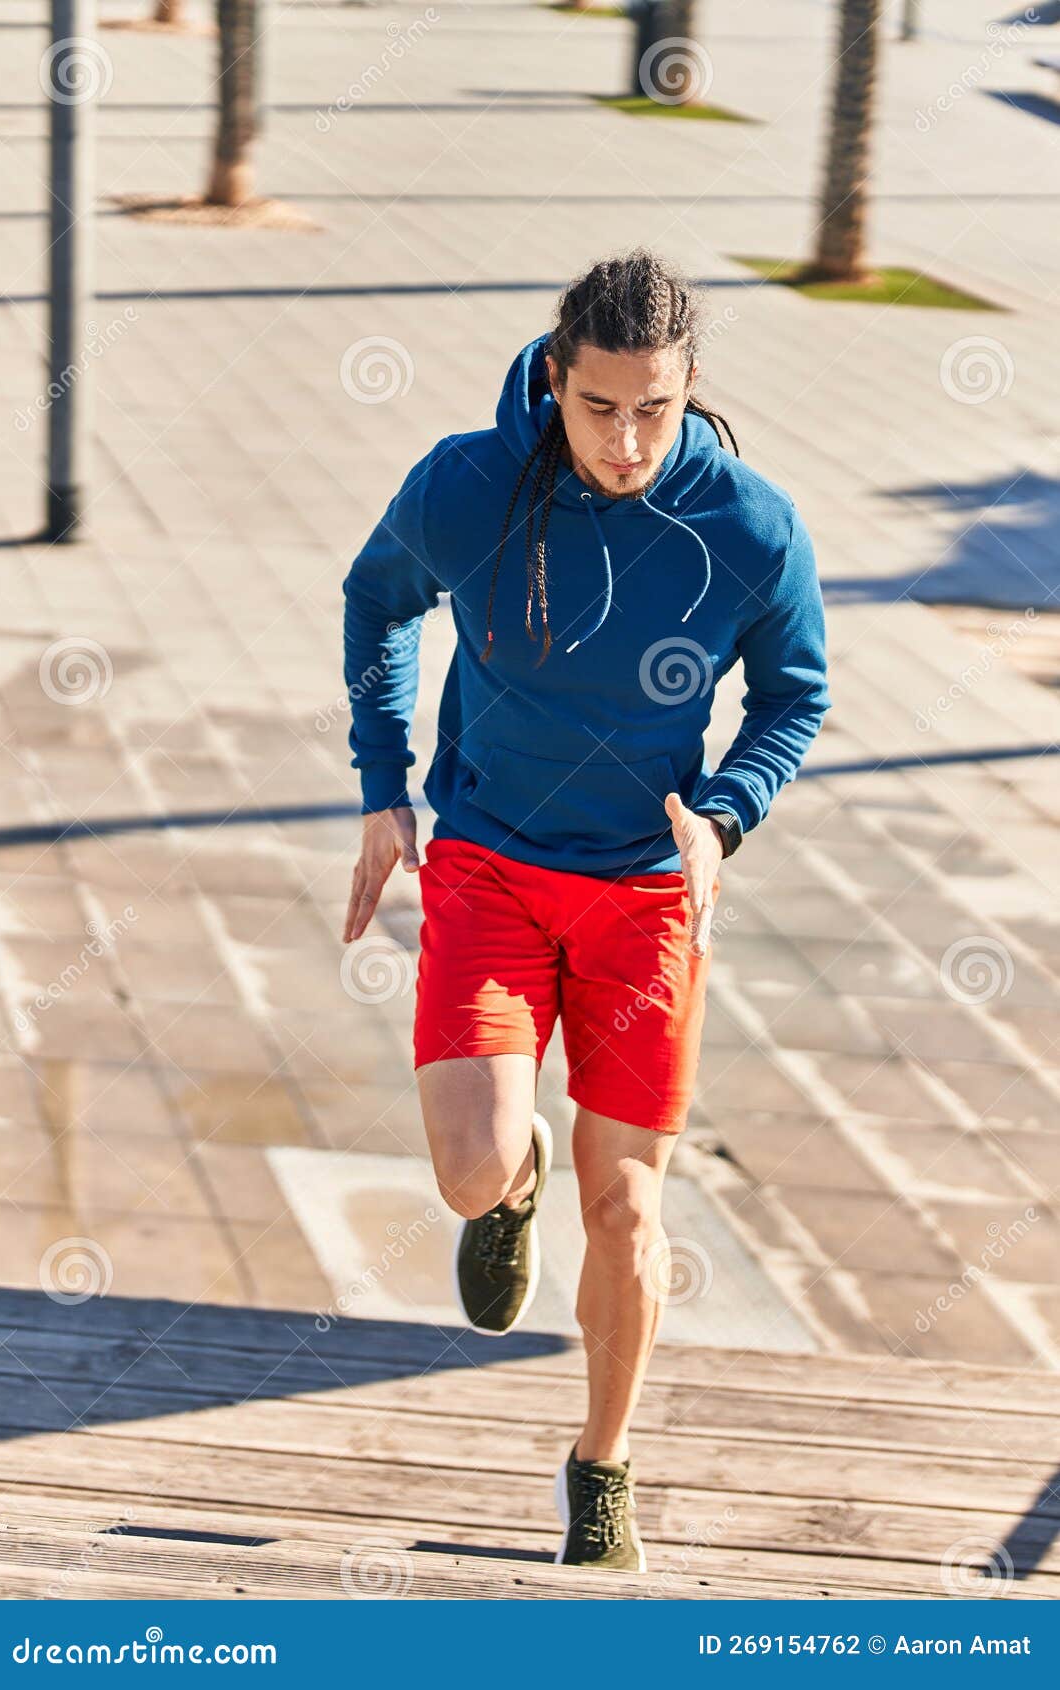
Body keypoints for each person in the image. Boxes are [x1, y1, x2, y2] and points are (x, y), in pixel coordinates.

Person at [341, 247, 830, 1573]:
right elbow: (378, 594)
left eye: (655, 409)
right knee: (468, 1165)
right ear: (556, 379)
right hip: (494, 861)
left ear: (690, 388)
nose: (627, 441)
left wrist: (724, 813)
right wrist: (385, 783)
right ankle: (512, 1191)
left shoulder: (749, 526)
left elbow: (794, 693)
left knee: (629, 1210)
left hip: (644, 896)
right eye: (599, 405)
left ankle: (602, 1464)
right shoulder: (470, 482)